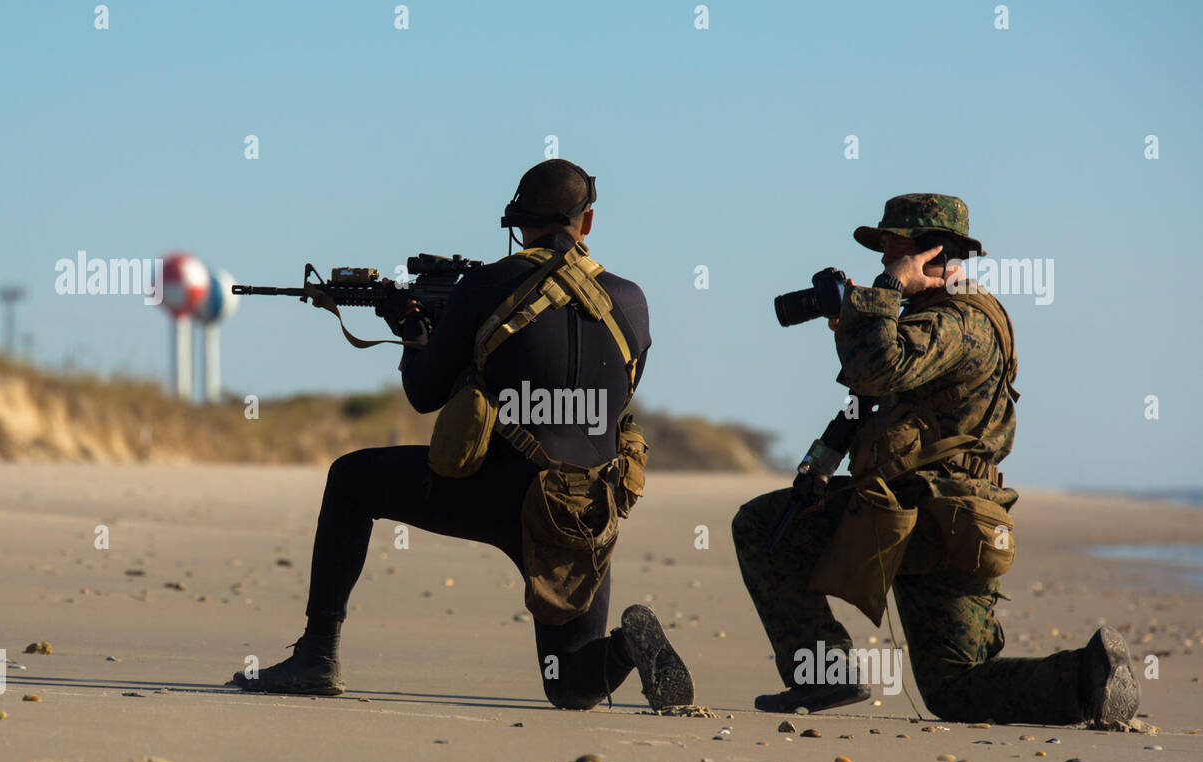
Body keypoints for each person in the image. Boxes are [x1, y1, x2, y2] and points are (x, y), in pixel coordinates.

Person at [229, 159, 694, 711]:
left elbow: (425, 393)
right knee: (569, 685)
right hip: (583, 510)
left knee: (351, 480)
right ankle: (627, 646)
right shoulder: (632, 301)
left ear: (519, 221)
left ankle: (317, 657)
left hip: (496, 491)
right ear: (586, 222)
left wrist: (413, 330)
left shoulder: (485, 286)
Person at [731, 193, 1139, 726]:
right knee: (954, 687)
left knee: (764, 529)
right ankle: (1086, 680)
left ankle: (1087, 680)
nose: (882, 260)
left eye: (892, 248)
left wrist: (883, 297)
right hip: (928, 513)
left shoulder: (959, 322)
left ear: (931, 252)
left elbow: (878, 370)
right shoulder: (931, 318)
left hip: (934, 517)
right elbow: (871, 392)